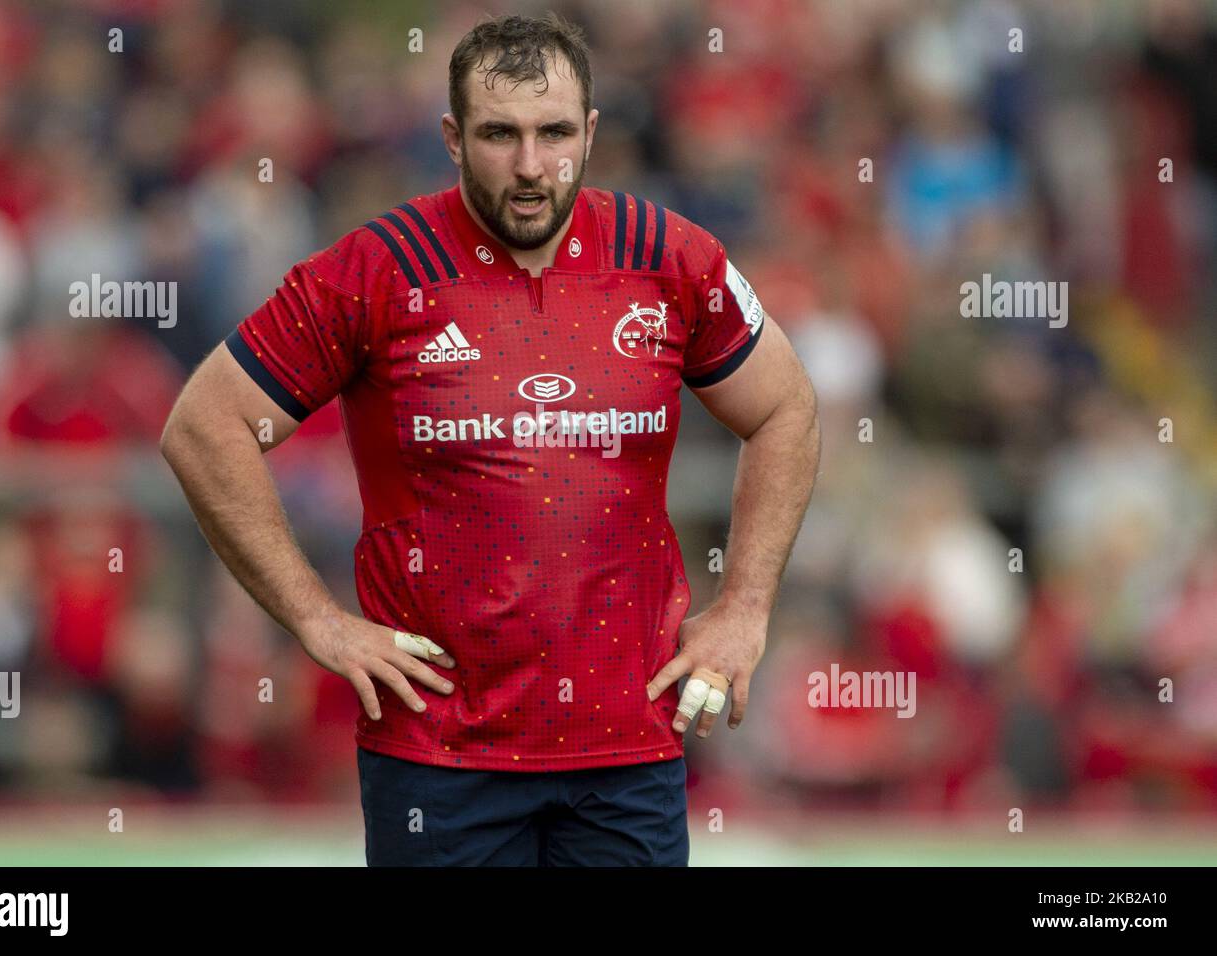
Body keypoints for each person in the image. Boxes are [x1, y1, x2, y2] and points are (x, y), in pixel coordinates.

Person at [160, 12, 820, 866]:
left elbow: (787, 409)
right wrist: (317, 621)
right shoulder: (376, 269)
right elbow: (204, 426)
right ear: (452, 138)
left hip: (627, 748)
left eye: (554, 134)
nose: (532, 166)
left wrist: (747, 607)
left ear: (590, 131)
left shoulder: (669, 256)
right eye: (499, 134)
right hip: (438, 760)